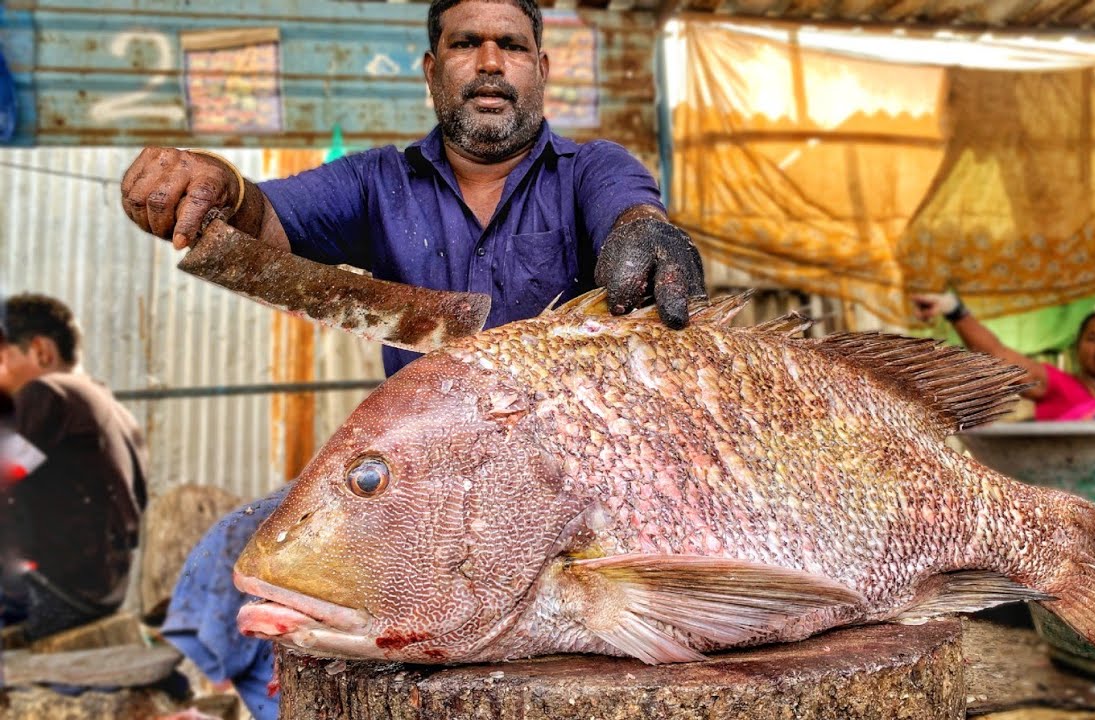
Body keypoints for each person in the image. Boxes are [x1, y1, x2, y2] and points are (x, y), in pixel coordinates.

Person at [118, 0, 706, 715]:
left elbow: (629, 209)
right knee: (239, 552)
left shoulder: (592, 169)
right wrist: (217, 185)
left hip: (581, 488)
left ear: (542, 68)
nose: (490, 62)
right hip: (424, 495)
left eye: (512, 46)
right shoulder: (374, 184)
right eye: (466, 43)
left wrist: (642, 233)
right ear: (432, 70)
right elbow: (262, 220)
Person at [0, 294, 148, 641]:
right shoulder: (104, 401)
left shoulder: (47, 391)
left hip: (53, 591)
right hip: (100, 588)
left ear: (40, 351)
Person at [913, 291, 1095, 421]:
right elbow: (997, 355)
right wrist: (953, 309)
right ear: (1077, 349)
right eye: (1094, 338)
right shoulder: (1056, 385)